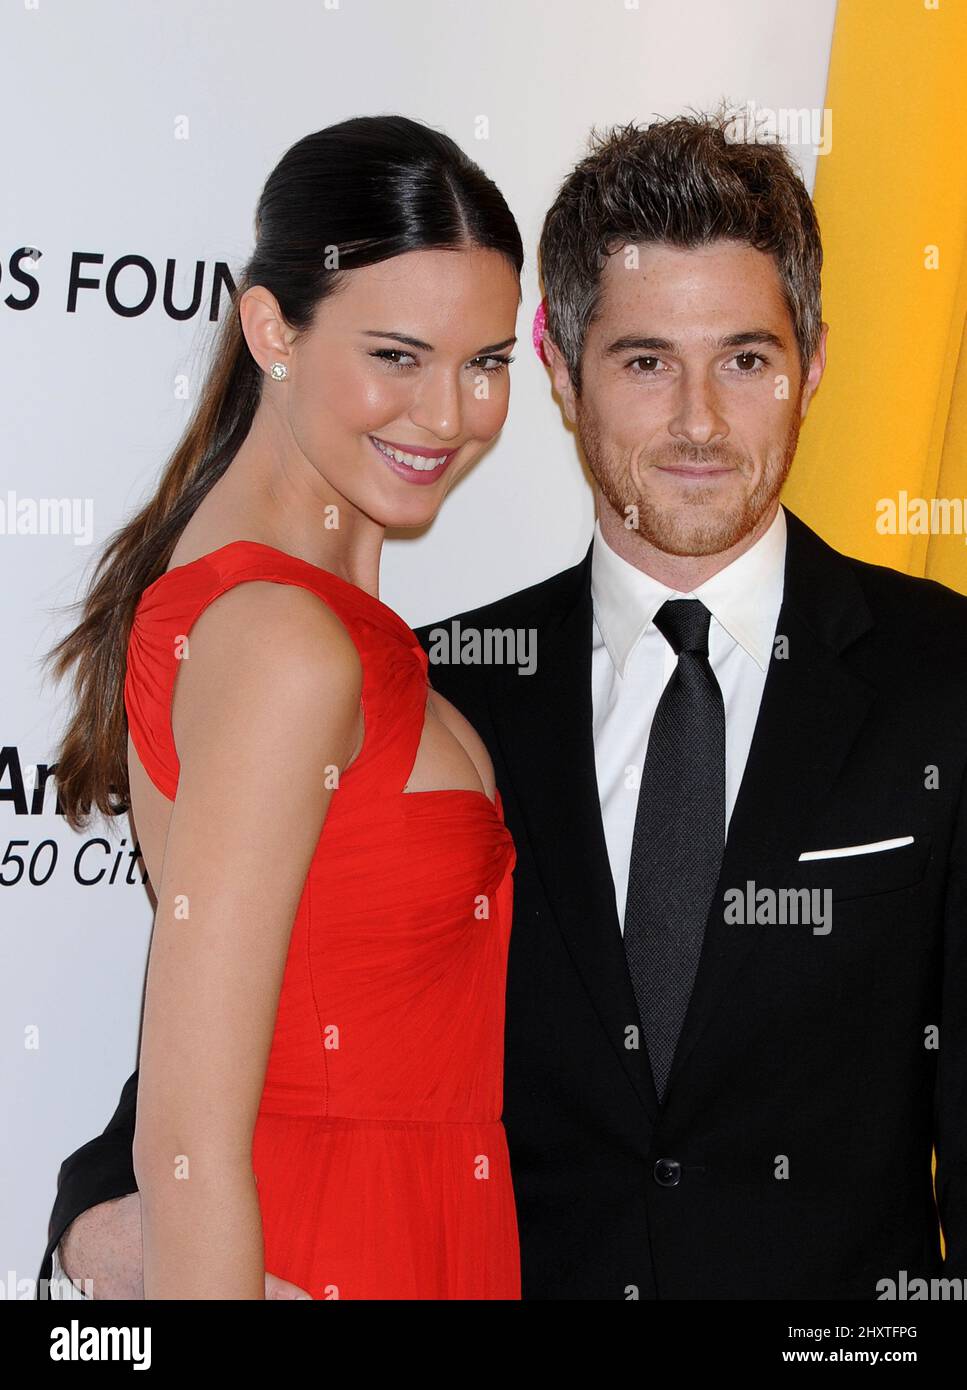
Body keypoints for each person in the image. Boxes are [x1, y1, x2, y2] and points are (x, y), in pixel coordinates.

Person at [43, 112, 967, 1301]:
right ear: (562, 372)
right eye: (644, 362)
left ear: (814, 364)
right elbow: (179, 1109)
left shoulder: (942, 681)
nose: (696, 421)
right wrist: (119, 1258)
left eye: (745, 358)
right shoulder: (446, 696)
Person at [41, 114, 523, 1300]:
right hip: (332, 1246)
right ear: (272, 329)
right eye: (398, 356)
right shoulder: (283, 644)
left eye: (486, 361)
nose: (449, 416)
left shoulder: (313, 616)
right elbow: (185, 1138)